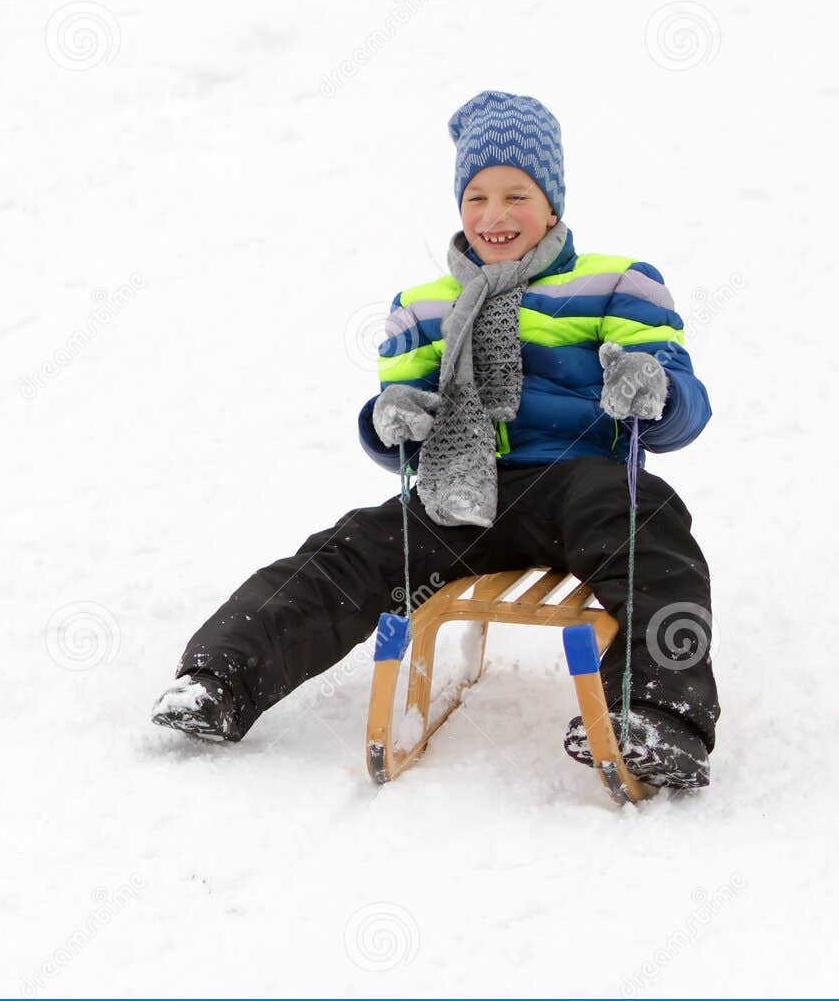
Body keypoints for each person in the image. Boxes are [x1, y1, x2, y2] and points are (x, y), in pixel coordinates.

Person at [149, 90, 719, 789]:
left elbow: (684, 406)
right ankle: (218, 676)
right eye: (476, 197)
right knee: (352, 548)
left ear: (553, 200)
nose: (495, 215)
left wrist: (653, 390)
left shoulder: (617, 284)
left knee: (651, 525)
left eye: (517, 194)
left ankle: (660, 713)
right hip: (460, 495)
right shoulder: (423, 308)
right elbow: (400, 423)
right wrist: (391, 421)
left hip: (580, 485)